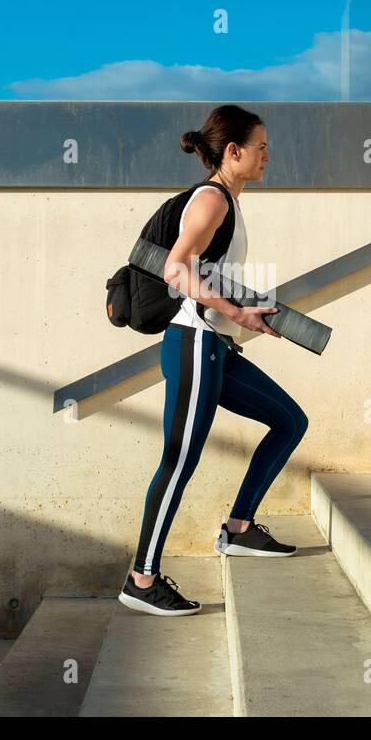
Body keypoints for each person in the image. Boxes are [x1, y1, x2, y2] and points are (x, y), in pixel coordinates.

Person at [119, 105, 310, 617]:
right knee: (179, 459)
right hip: (194, 343)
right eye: (262, 146)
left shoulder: (228, 203)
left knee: (290, 420)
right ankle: (142, 577)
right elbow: (176, 270)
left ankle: (239, 528)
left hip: (216, 347)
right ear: (234, 151)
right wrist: (234, 313)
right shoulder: (212, 200)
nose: (269, 155)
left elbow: (205, 271)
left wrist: (247, 312)